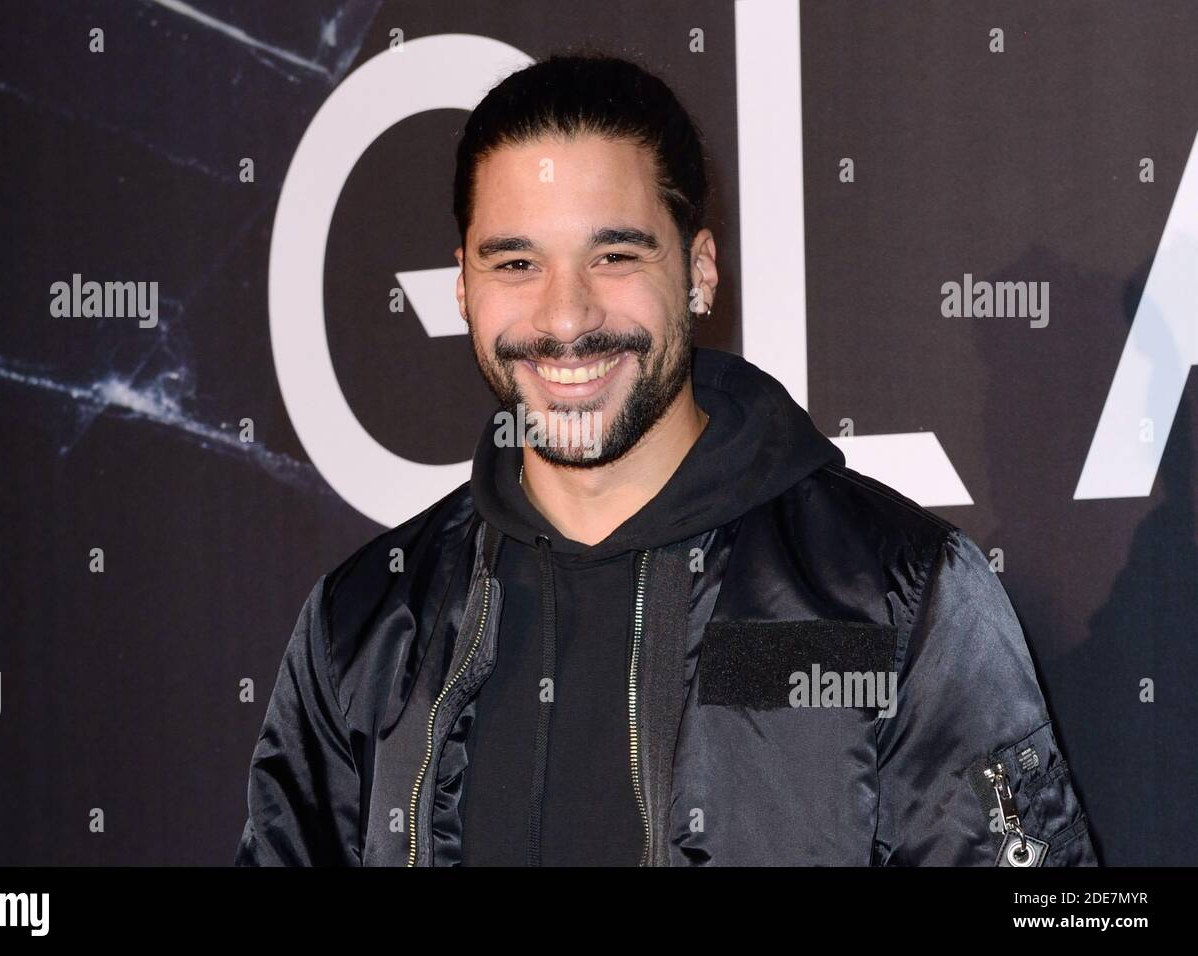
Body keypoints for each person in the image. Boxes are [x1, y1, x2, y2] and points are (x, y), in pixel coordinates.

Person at [234, 52, 1096, 867]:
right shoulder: (370, 622)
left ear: (699, 271)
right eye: (517, 262)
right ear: (462, 286)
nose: (565, 318)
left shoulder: (897, 596)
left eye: (614, 256)